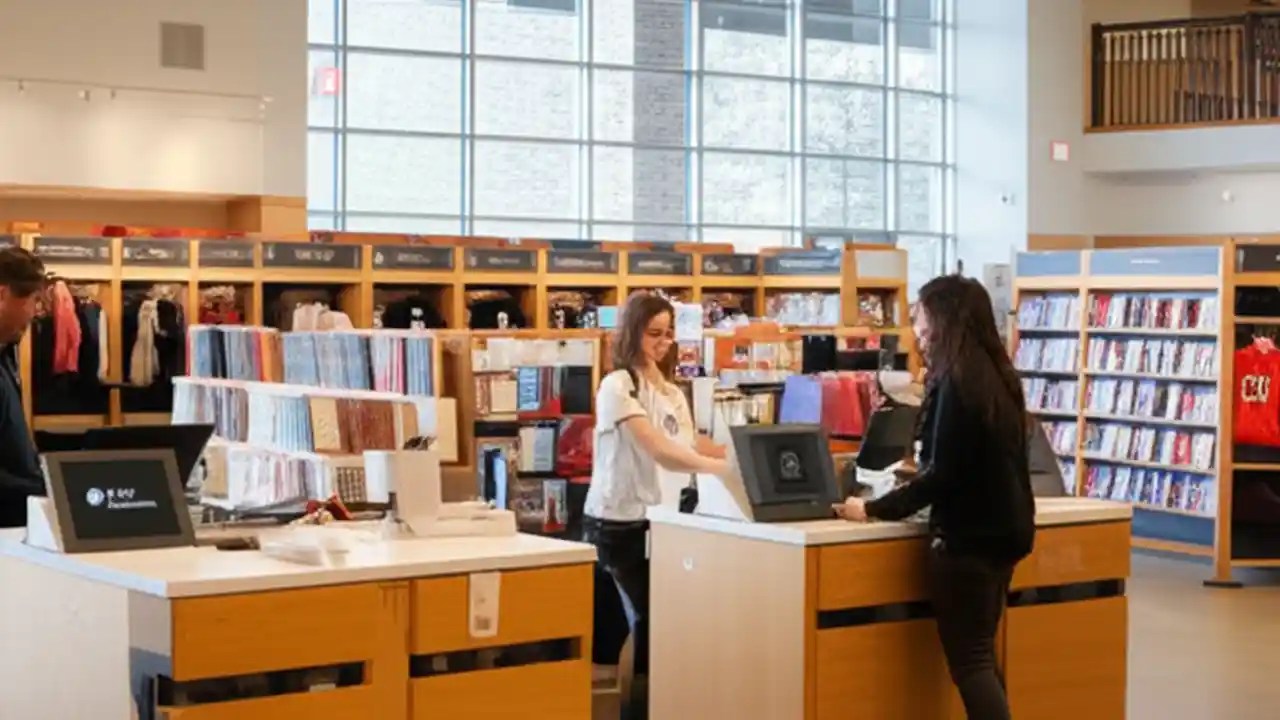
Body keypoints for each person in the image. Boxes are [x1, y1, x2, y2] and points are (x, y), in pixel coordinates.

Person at [835, 275, 1035, 720]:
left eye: (922, 317)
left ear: (943, 319)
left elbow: (942, 474)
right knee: (983, 653)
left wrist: (870, 507)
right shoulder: (997, 377)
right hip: (1005, 532)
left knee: (971, 662)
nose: (918, 329)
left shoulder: (956, 382)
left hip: (966, 539)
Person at [582, 291, 727, 713]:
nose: (662, 343)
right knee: (642, 624)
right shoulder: (617, 386)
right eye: (653, 334)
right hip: (617, 524)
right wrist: (714, 467)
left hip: (661, 523)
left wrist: (734, 457)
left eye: (668, 334)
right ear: (632, 334)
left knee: (656, 624)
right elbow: (657, 448)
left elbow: (685, 443)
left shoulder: (672, 391)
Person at [0, 248, 49, 528]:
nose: (37, 312)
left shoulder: (6, 357)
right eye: (33, 300)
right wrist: (45, 489)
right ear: (3, 294)